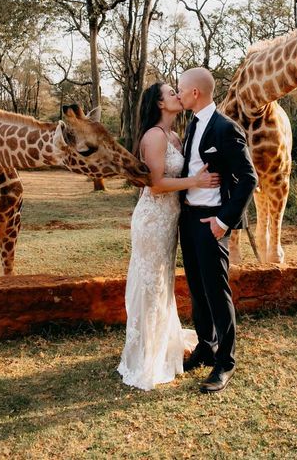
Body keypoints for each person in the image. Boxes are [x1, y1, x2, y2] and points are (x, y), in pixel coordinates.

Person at [118, 82, 220, 391]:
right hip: (152, 220)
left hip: (169, 220)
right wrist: (196, 180)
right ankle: (146, 353)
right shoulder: (153, 136)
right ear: (161, 104)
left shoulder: (175, 136)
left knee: (162, 282)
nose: (178, 96)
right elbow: (157, 184)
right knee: (150, 281)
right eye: (171, 94)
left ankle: (161, 342)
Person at [177, 67, 257, 394]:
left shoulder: (225, 128)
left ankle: (225, 362)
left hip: (212, 221)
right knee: (196, 288)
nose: (178, 93)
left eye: (181, 89)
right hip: (188, 219)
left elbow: (248, 178)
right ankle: (206, 346)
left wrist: (223, 221)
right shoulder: (191, 125)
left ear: (195, 92)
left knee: (216, 291)